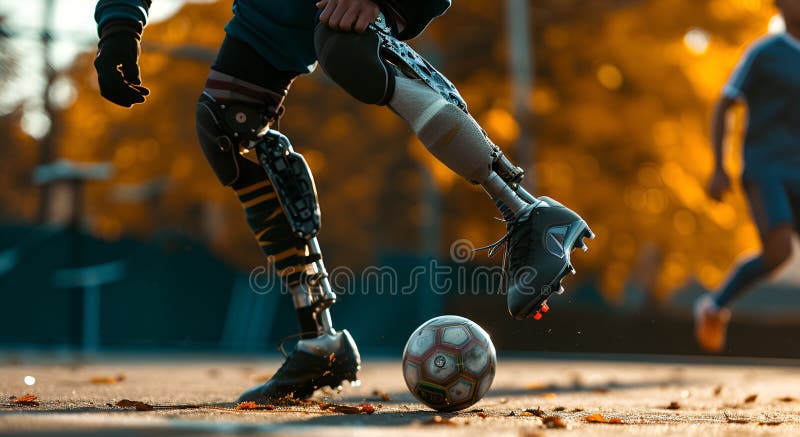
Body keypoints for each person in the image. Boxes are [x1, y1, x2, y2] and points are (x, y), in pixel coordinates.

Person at [92, 0, 593, 402]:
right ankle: (320, 343)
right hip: (273, 12)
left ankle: (527, 211)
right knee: (228, 123)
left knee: (351, 47)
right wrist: (119, 23)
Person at [696, 0, 800, 352]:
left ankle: (716, 304)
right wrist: (719, 165)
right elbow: (725, 103)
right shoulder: (764, 53)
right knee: (780, 247)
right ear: (780, 7)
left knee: (779, 255)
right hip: (765, 165)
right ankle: (714, 307)